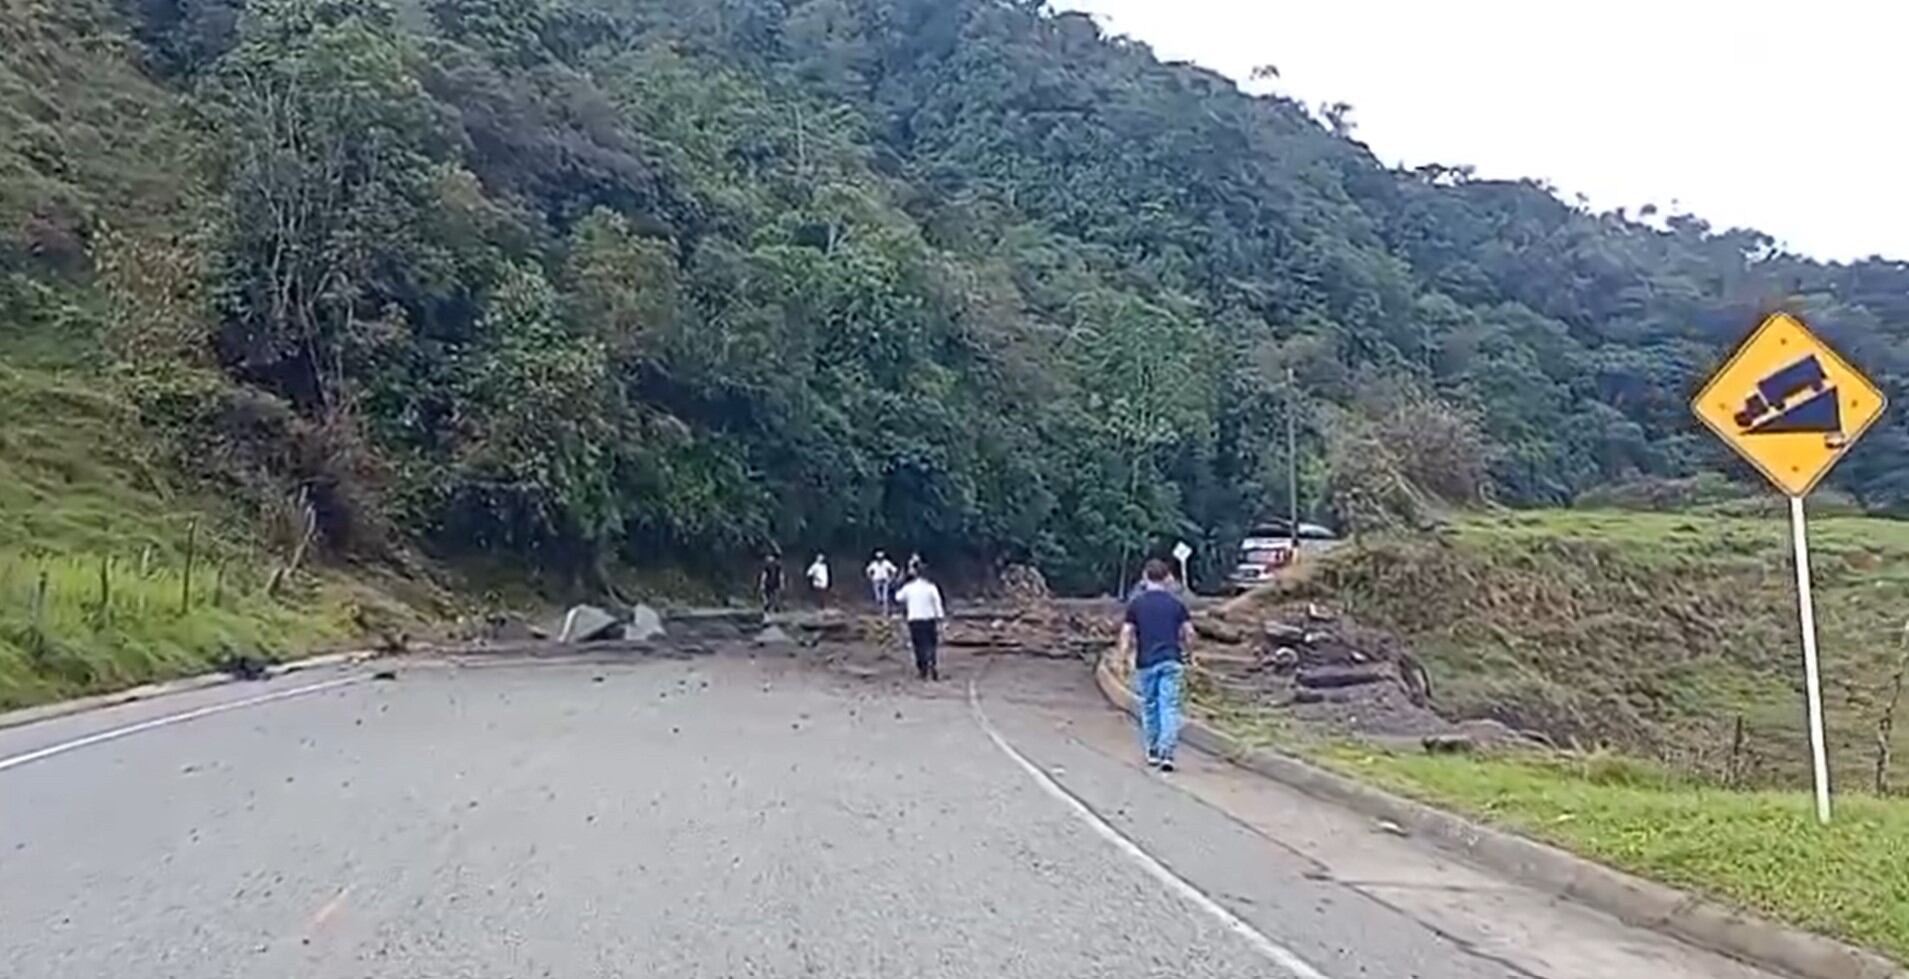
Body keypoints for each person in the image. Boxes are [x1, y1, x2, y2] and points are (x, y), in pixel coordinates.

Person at [1119, 558, 1193, 771]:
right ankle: (1167, 752)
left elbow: (1127, 632)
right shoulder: (1176, 604)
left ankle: (1152, 750)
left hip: (1146, 662)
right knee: (1169, 706)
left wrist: (1123, 656)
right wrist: (1189, 653)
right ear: (1167, 578)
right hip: (1171, 659)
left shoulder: (1137, 604)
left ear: (1145, 577)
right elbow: (1189, 632)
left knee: (1150, 705)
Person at [895, 566, 946, 682]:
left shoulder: (908, 588)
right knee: (931, 643)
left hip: (914, 619)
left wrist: (900, 582)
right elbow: (937, 603)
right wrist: (940, 617)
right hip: (929, 619)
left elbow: (897, 598)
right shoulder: (931, 587)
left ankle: (922, 669)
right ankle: (932, 663)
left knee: (918, 645)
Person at [866, 551, 899, 615]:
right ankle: (879, 610)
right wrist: (871, 578)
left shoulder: (886, 563)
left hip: (885, 581)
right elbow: (868, 571)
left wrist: (891, 578)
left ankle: (885, 612)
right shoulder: (874, 564)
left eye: (881, 558)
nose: (880, 559)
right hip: (876, 582)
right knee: (878, 598)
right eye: (878, 558)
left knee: (885, 598)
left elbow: (894, 570)